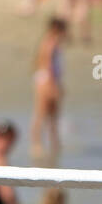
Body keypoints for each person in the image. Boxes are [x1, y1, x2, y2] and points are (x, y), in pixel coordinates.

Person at [29, 16, 66, 162]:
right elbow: (48, 64)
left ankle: (54, 145)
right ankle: (36, 145)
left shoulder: (48, 41)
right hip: (46, 80)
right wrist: (54, 86)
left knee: (52, 115)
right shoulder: (51, 42)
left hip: (47, 79)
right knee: (42, 112)